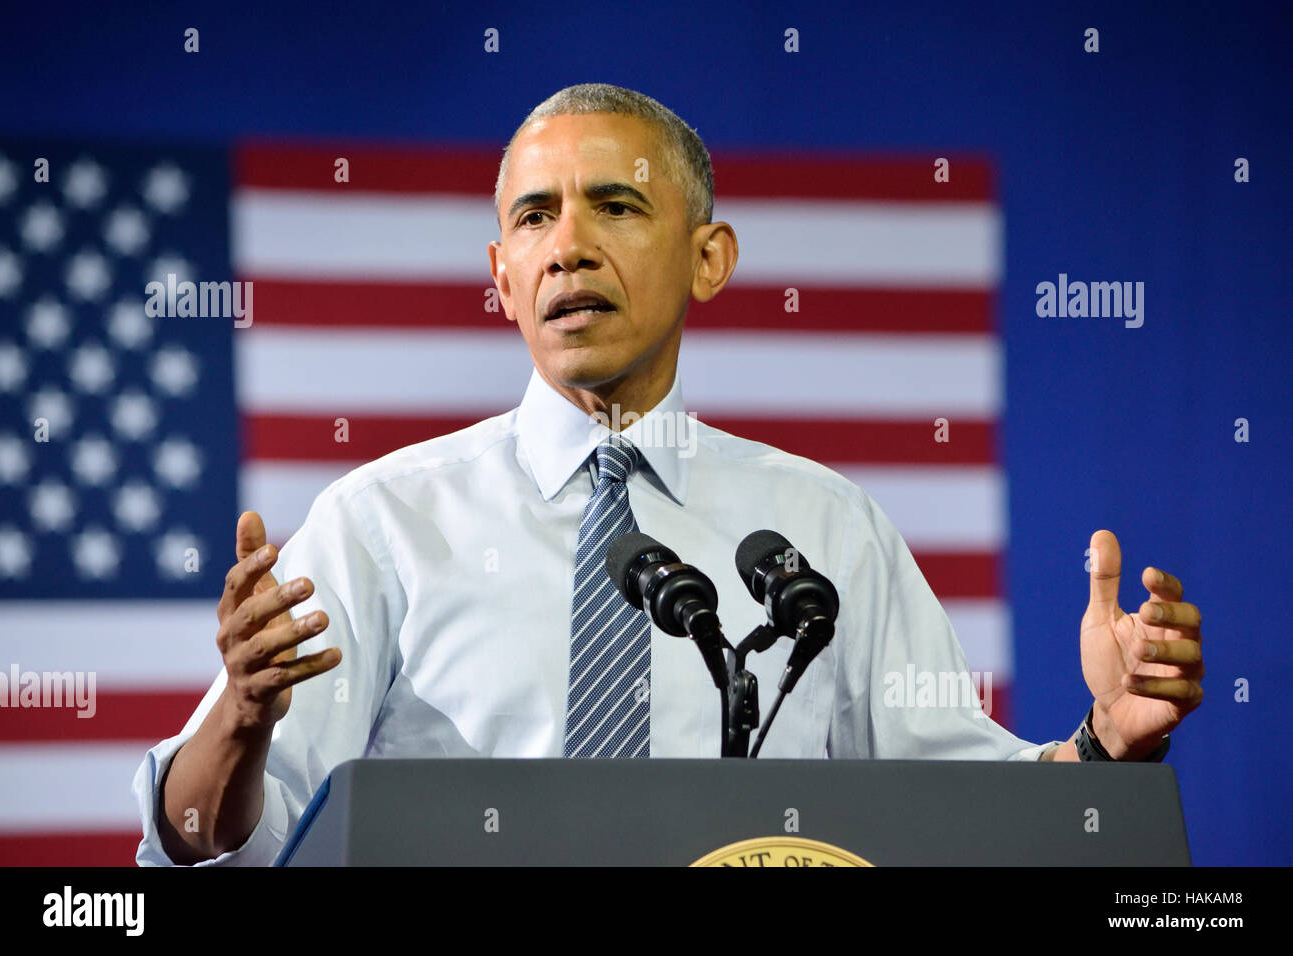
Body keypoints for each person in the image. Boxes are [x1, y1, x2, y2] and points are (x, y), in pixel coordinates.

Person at [132, 83, 1204, 866]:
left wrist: (1103, 746)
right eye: (534, 217)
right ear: (501, 278)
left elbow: (969, 807)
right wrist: (241, 717)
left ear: (709, 258)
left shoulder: (823, 529)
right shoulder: (381, 522)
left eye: (616, 204)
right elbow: (197, 839)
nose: (568, 247)